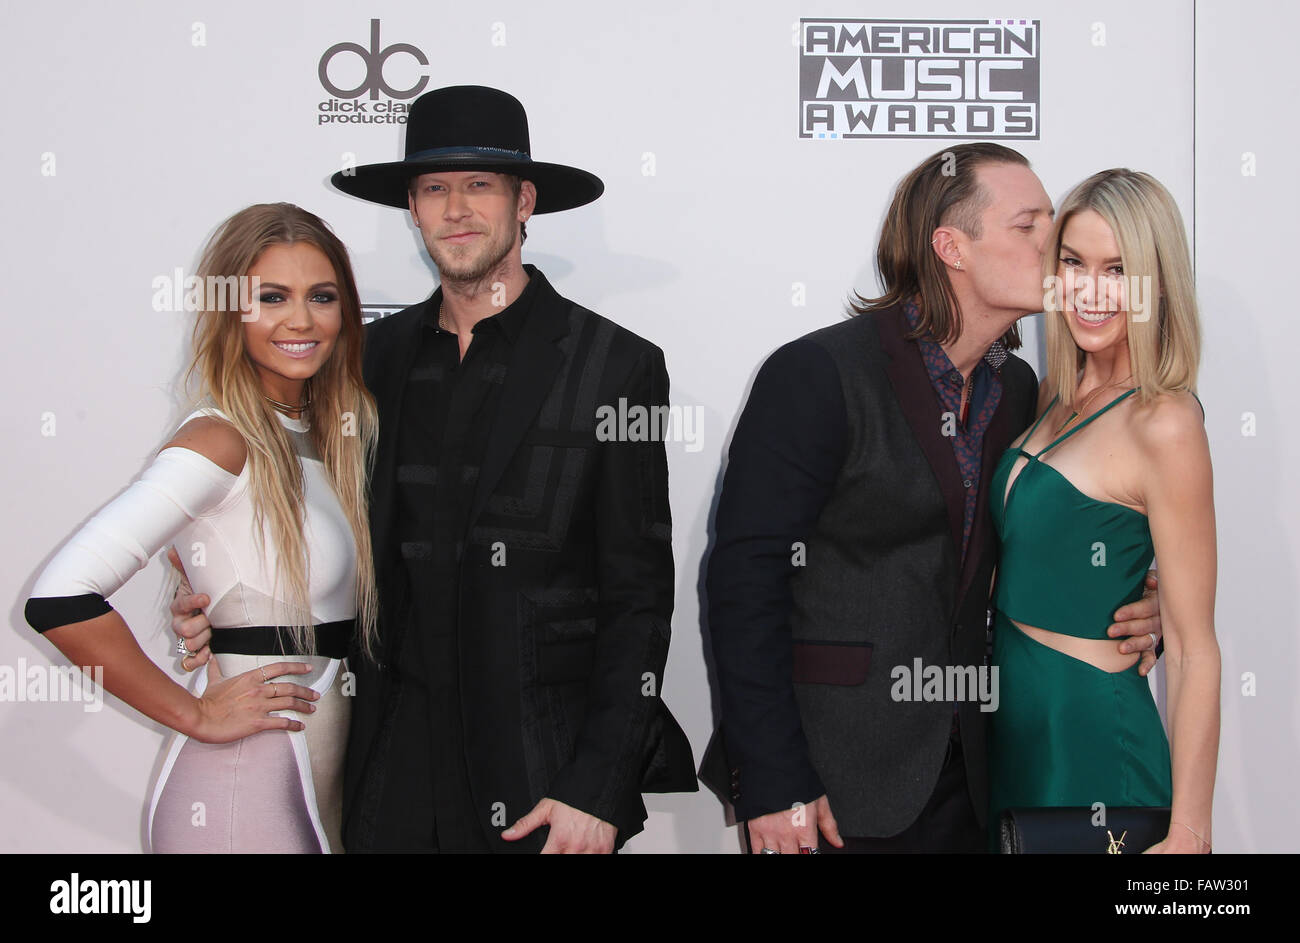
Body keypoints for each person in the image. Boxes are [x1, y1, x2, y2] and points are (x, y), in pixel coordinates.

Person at [171, 85, 697, 853]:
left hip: (542, 780)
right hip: (388, 766)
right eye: (434, 189)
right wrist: (216, 601)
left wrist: (598, 786)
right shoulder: (364, 366)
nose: (456, 209)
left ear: (526, 202)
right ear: (412, 209)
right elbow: (307, 518)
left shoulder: (615, 366)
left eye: (480, 185)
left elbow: (639, 596)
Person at [700, 143, 1166, 853]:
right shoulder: (817, 374)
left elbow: (1041, 546)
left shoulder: (1017, 393)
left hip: (977, 777)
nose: (1056, 241)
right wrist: (771, 777)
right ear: (951, 246)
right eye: (1029, 224)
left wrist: (1139, 594)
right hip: (829, 781)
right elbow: (743, 582)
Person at [24, 203, 379, 852]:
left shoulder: (324, 439)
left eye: (321, 296)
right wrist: (192, 711)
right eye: (271, 297)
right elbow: (60, 596)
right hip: (240, 793)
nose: (300, 319)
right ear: (230, 312)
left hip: (310, 781)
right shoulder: (220, 438)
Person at [986, 169, 1219, 853]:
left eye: (1117, 270)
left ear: (1155, 279)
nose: (1089, 291)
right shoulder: (1056, 388)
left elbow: (1196, 645)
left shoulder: (1165, 421)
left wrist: (1190, 833)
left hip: (1088, 731)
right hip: (1015, 720)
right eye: (1073, 263)